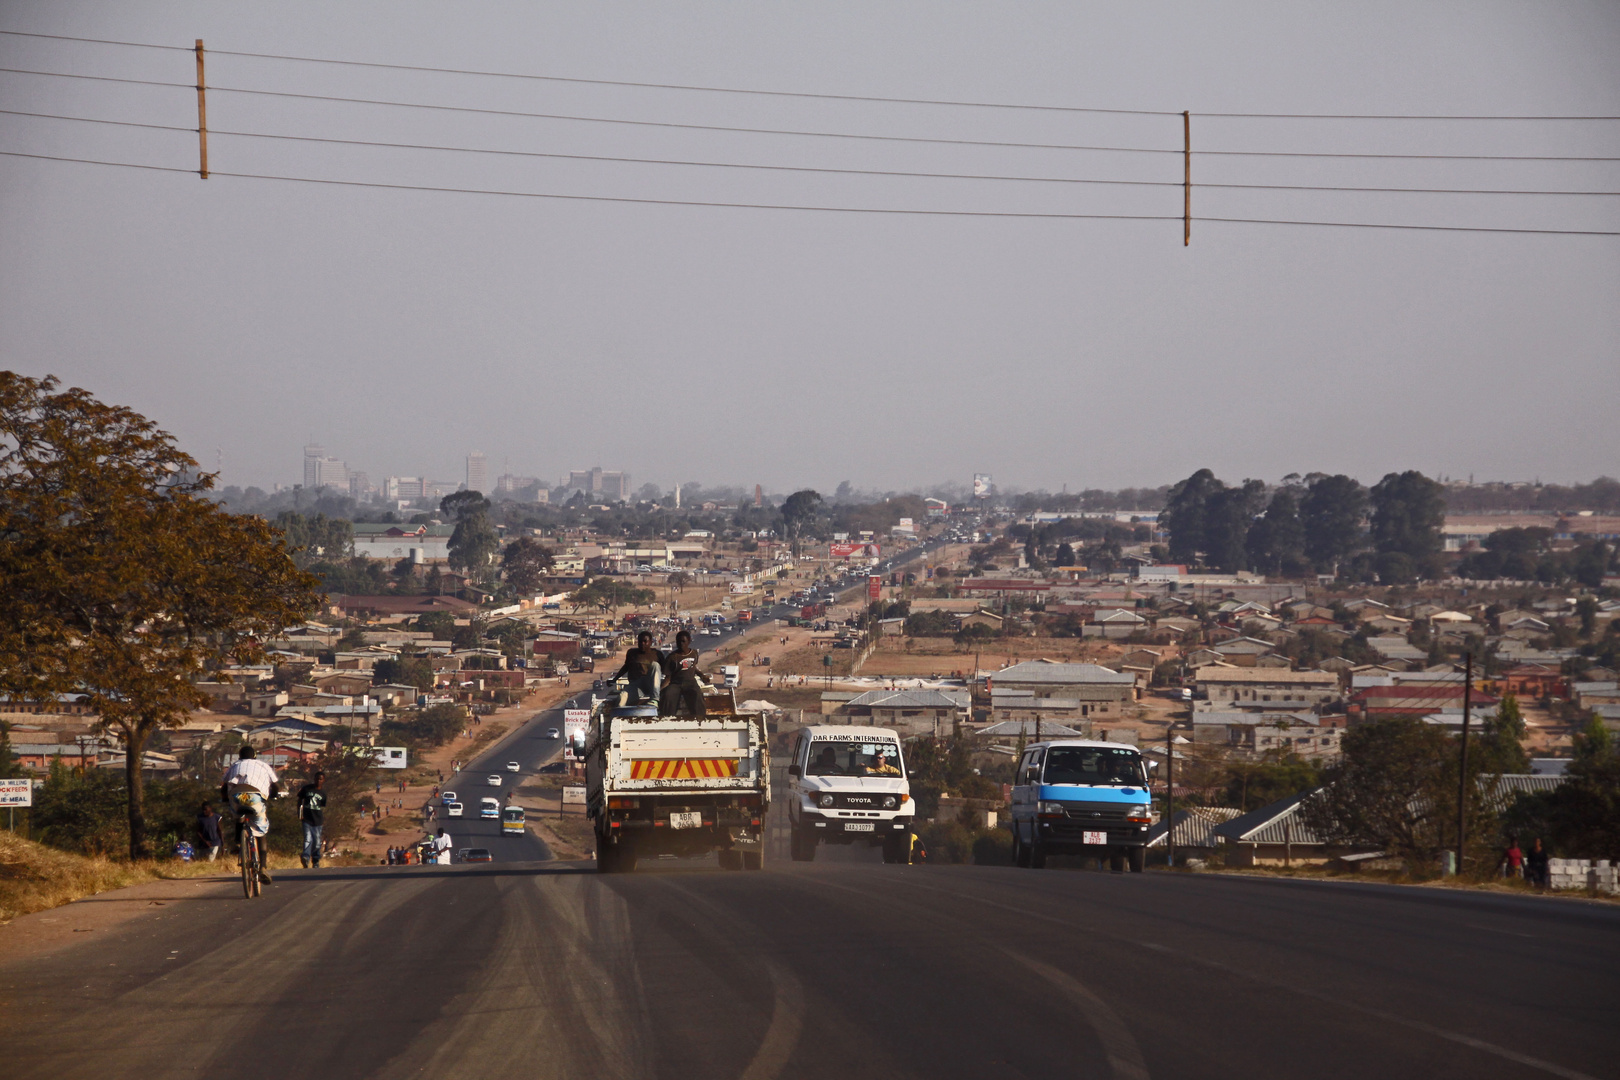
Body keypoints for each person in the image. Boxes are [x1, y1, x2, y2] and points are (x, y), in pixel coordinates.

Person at [220, 744, 279, 885]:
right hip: (255, 798)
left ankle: (238, 843)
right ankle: (263, 867)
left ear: (239, 757)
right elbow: (275, 785)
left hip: (236, 796)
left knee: (238, 817)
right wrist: (274, 796)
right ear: (254, 756)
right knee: (261, 831)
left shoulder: (235, 765)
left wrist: (224, 799)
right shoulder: (263, 765)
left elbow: (223, 786)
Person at [660, 630, 708, 717]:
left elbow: (693, 667)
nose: (681, 644)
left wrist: (702, 675)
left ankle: (701, 720)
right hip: (676, 684)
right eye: (678, 641)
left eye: (683, 641)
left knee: (697, 695)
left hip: (690, 682)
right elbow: (668, 678)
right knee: (668, 696)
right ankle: (667, 720)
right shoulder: (672, 657)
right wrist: (660, 689)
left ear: (689, 641)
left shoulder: (694, 653)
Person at [611, 631, 664, 707]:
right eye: (640, 641)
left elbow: (666, 671)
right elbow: (626, 667)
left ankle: (655, 699)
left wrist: (662, 688)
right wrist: (615, 679)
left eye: (645, 641)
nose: (642, 644)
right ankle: (620, 717)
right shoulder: (632, 653)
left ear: (651, 642)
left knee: (655, 665)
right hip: (636, 685)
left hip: (651, 684)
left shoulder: (657, 654)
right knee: (622, 697)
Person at [297, 770, 327, 869]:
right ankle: (305, 857)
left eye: (321, 779)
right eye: (317, 779)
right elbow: (299, 800)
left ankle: (316, 860)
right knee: (307, 839)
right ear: (314, 779)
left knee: (317, 842)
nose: (318, 781)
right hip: (306, 819)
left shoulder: (323, 793)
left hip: (318, 821)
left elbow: (322, 806)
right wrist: (299, 813)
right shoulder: (306, 789)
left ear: (323, 781)